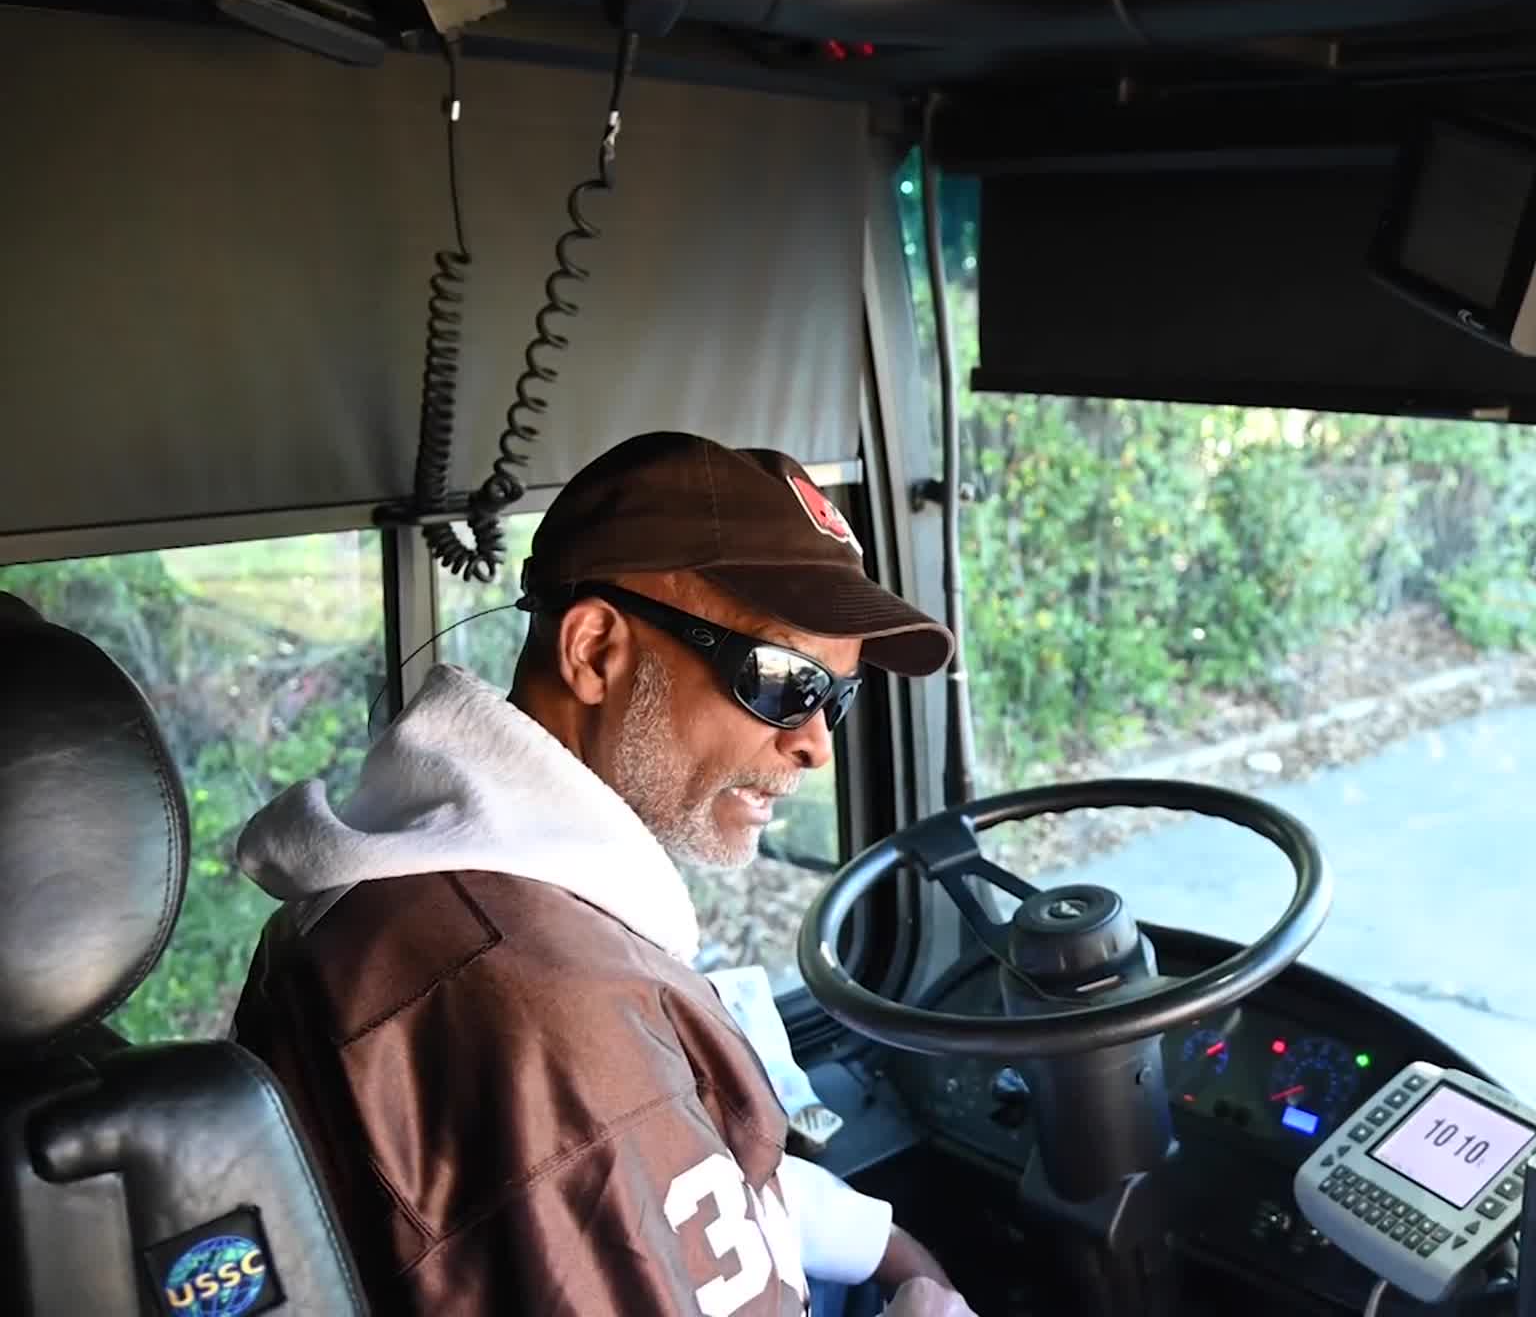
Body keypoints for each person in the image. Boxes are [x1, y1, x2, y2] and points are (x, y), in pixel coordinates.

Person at [228, 431, 978, 1317]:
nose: (816, 744)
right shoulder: (545, 1007)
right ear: (593, 651)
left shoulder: (447, 888)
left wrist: (873, 1241)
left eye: (838, 698)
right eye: (784, 680)